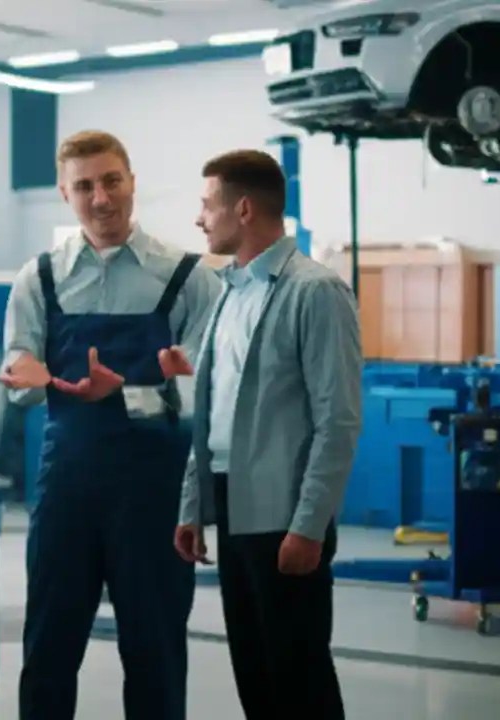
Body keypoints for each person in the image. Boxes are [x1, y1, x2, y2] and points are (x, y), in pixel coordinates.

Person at [1, 129, 223, 720]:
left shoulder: (187, 278)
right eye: (84, 186)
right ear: (64, 193)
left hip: (154, 494)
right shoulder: (39, 278)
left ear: (131, 181)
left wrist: (127, 395)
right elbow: (20, 360)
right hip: (66, 486)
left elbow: (204, 395)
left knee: (154, 649)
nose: (100, 198)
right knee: (48, 645)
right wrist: (26, 374)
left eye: (110, 181)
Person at [173, 149, 362, 719]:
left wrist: (308, 525)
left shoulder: (315, 292)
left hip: (283, 513)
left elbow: (339, 419)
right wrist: (194, 503)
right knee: (255, 672)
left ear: (245, 209)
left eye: (208, 205)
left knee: (298, 675)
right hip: (233, 506)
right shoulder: (230, 293)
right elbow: (213, 411)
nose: (199, 218)